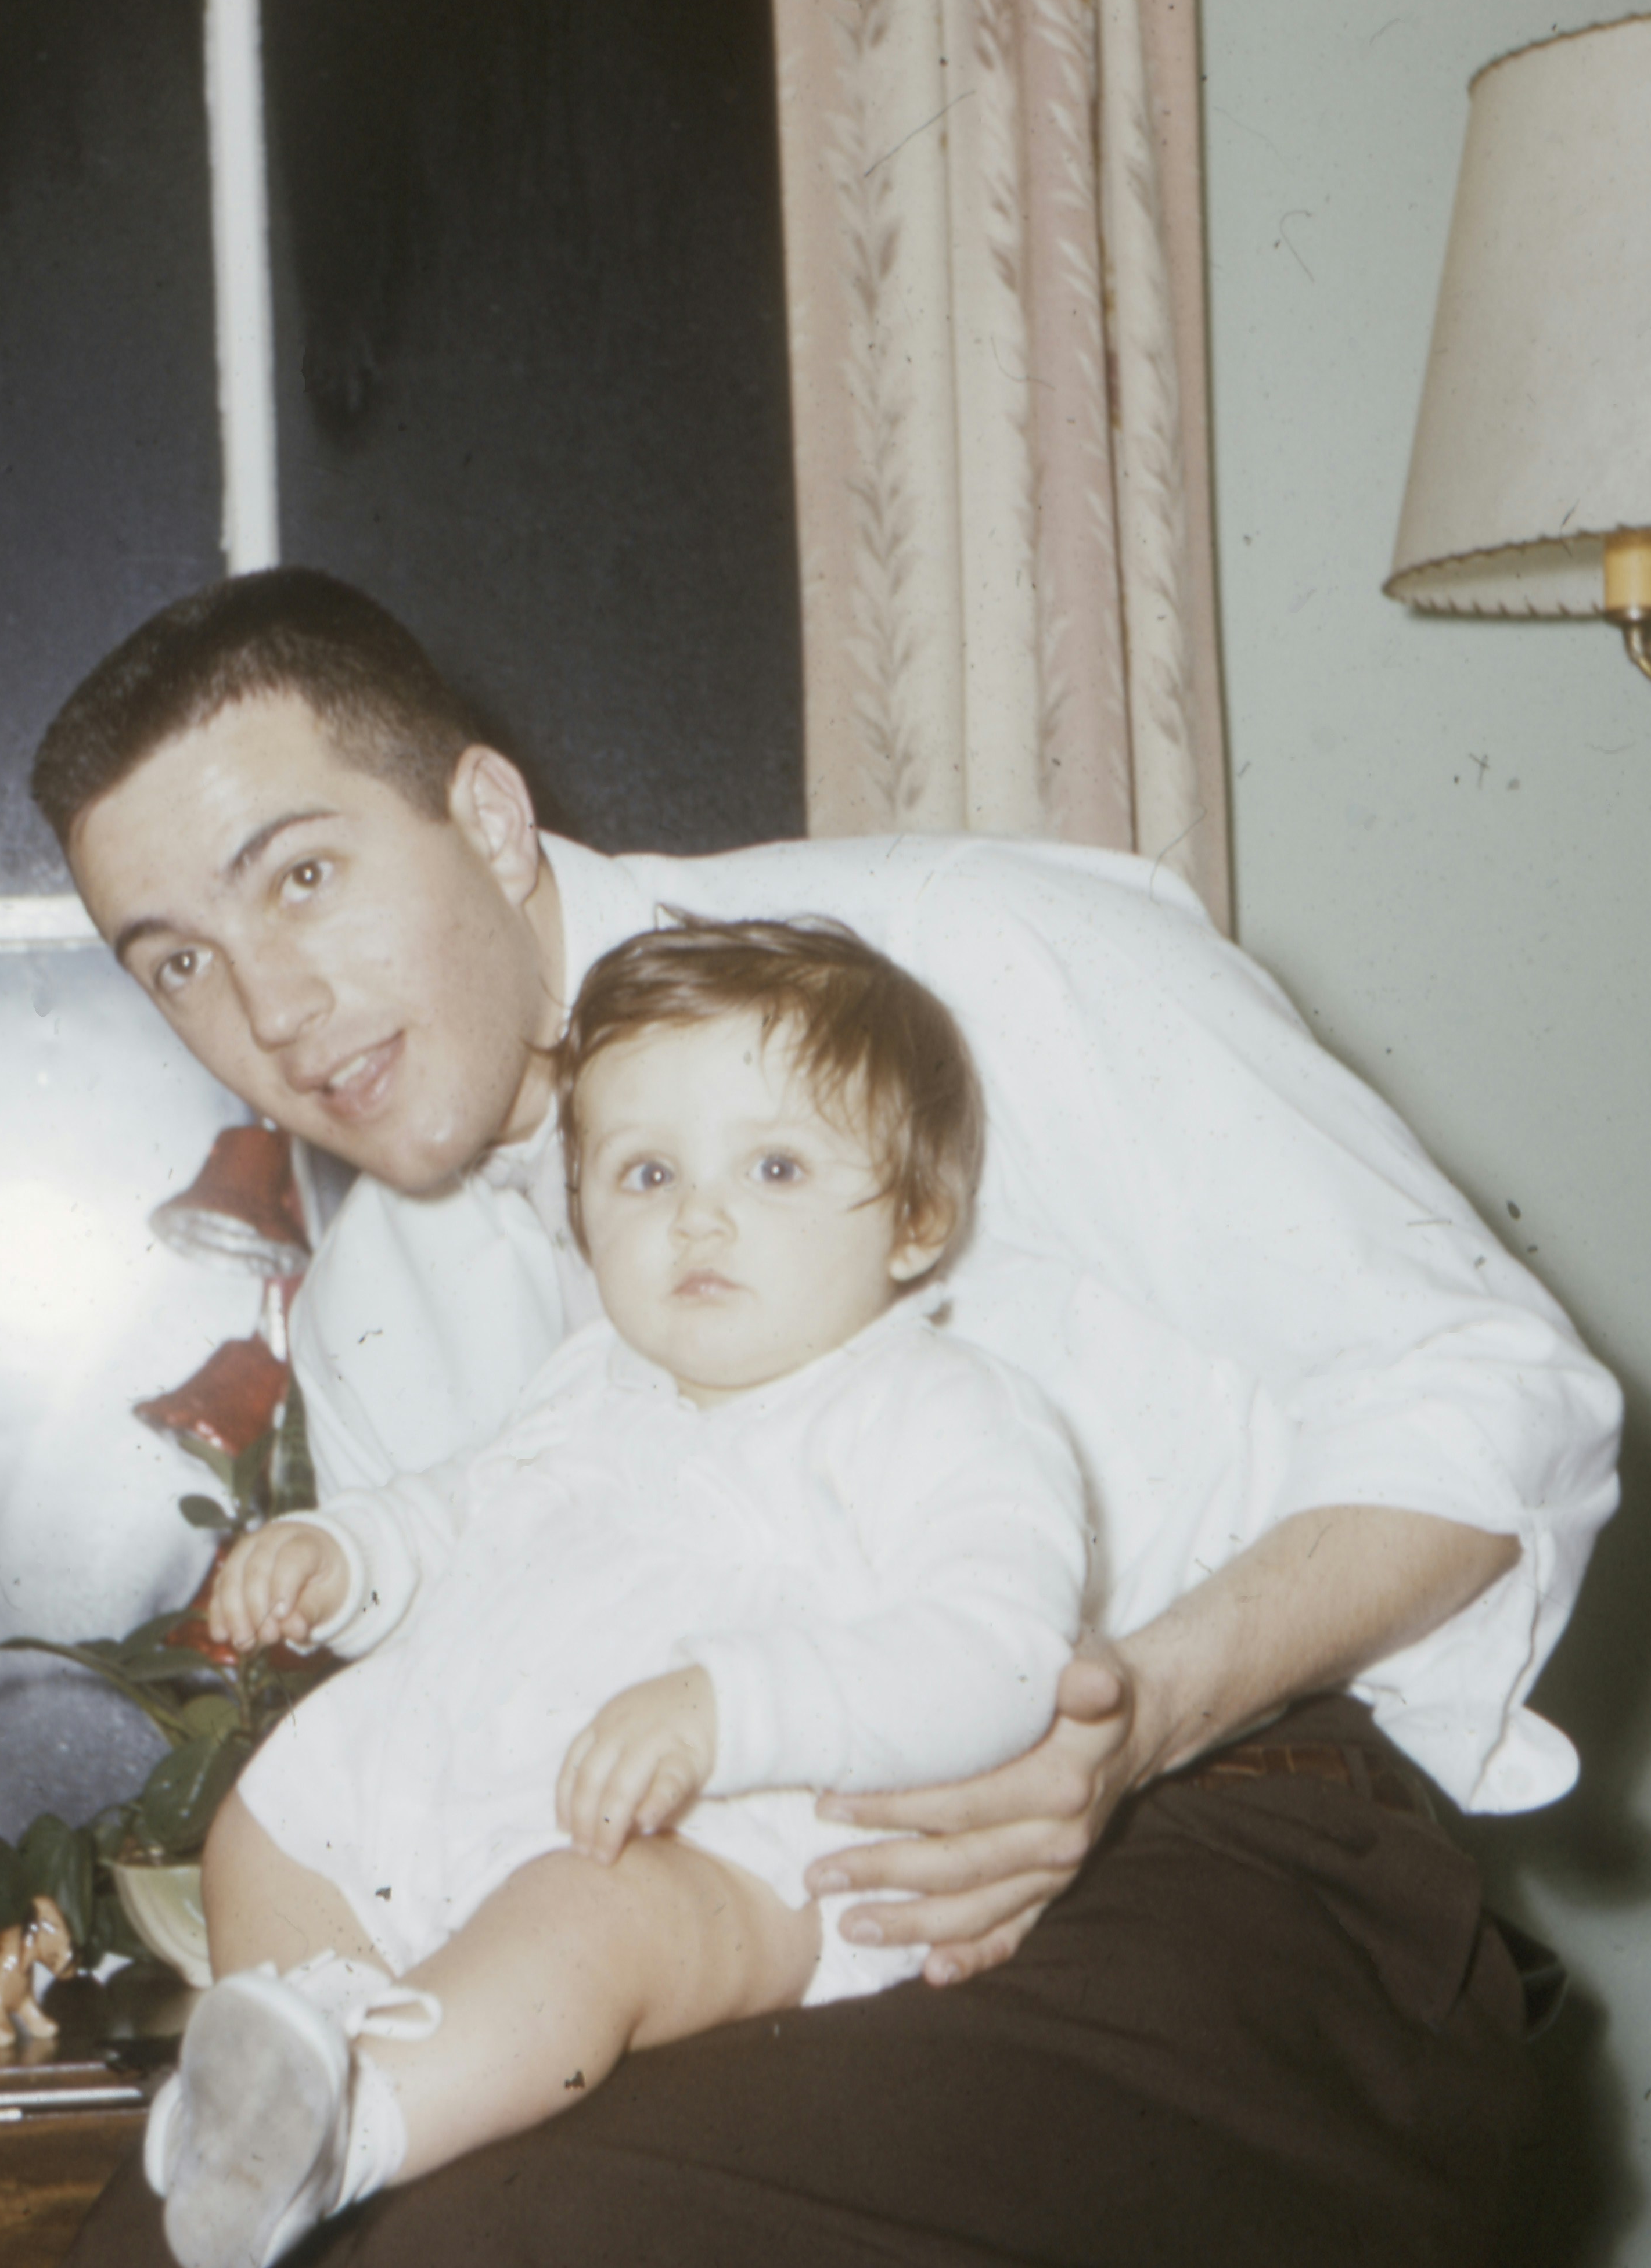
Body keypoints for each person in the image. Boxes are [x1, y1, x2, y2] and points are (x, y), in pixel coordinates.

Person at [33, 567, 1623, 2266]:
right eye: (181, 963)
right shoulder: (374, 1312)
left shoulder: (954, 954)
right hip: (721, 1919)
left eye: (305, 876)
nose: (268, 1009)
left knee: (512, 2245)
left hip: (1216, 1845)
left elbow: (1495, 1384)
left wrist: (1136, 1713)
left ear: (487, 816)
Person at [149, 916, 1091, 2268]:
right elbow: (466, 1505)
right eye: (645, 1171)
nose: (698, 1215)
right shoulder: (590, 1377)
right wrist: (350, 1556)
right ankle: (298, 2053)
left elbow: (1000, 1652)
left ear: (918, 1216)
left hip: (722, 1847)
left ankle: (352, 2129)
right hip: (467, 1794)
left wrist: (731, 1707)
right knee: (269, 1821)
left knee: (590, 1925)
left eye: (774, 1164)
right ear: (583, 1210)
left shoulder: (934, 1409)